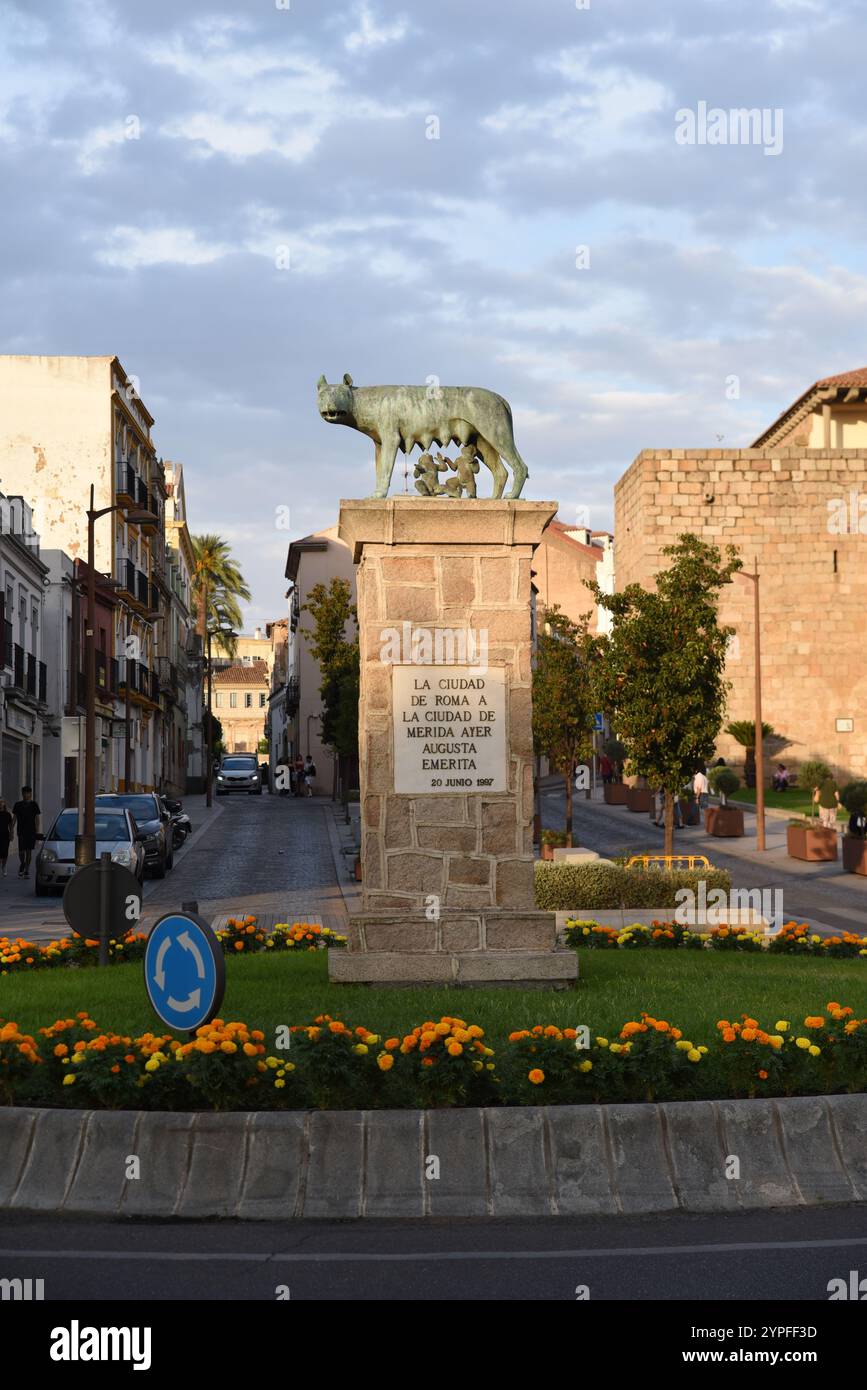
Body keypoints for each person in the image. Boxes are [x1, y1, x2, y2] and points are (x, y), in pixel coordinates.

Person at [11, 785, 41, 879]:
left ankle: (26, 870)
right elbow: (14, 817)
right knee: (21, 851)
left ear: (30, 794)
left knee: (29, 851)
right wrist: (11, 829)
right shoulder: (18, 805)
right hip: (21, 831)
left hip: (31, 831)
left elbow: (37, 818)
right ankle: (22, 864)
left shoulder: (34, 804)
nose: (26, 794)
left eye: (28, 793)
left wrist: (36, 831)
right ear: (22, 794)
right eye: (24, 793)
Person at [0, 798, 12, 876]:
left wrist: (12, 834)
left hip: (5, 835)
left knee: (5, 853)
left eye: (1, 802)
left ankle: (4, 866)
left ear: (4, 803)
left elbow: (10, 826)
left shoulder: (7, 814)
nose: (0, 804)